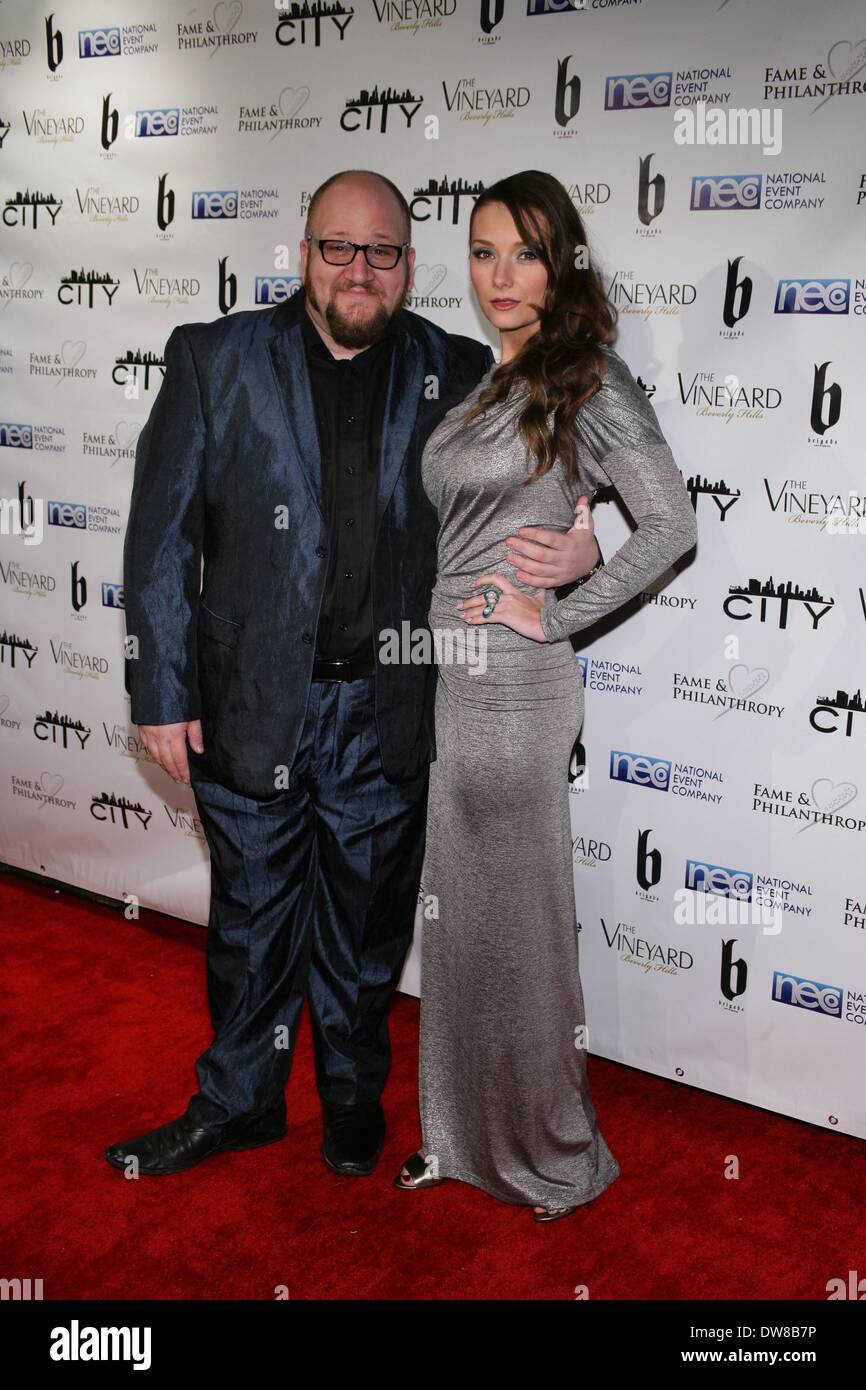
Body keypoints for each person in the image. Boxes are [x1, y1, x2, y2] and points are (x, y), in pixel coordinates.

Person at [105, 169, 601, 1179]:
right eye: (338, 248)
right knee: (250, 922)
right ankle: (237, 1101)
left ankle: (346, 1097)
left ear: (408, 266)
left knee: (365, 933)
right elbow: (160, 535)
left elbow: (548, 477)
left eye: (381, 252)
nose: (358, 270)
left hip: (391, 707)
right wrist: (160, 689)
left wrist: (583, 549)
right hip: (250, 704)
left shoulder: (456, 371)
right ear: (303, 256)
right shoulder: (215, 360)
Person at [394, 170, 698, 1220]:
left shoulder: (587, 379)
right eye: (482, 253)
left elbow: (671, 525)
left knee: (518, 917)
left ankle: (550, 1152)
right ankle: (461, 1135)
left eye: (523, 251)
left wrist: (559, 605)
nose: (499, 276)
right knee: (464, 917)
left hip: (516, 689)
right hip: (451, 682)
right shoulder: (488, 379)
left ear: (560, 260)